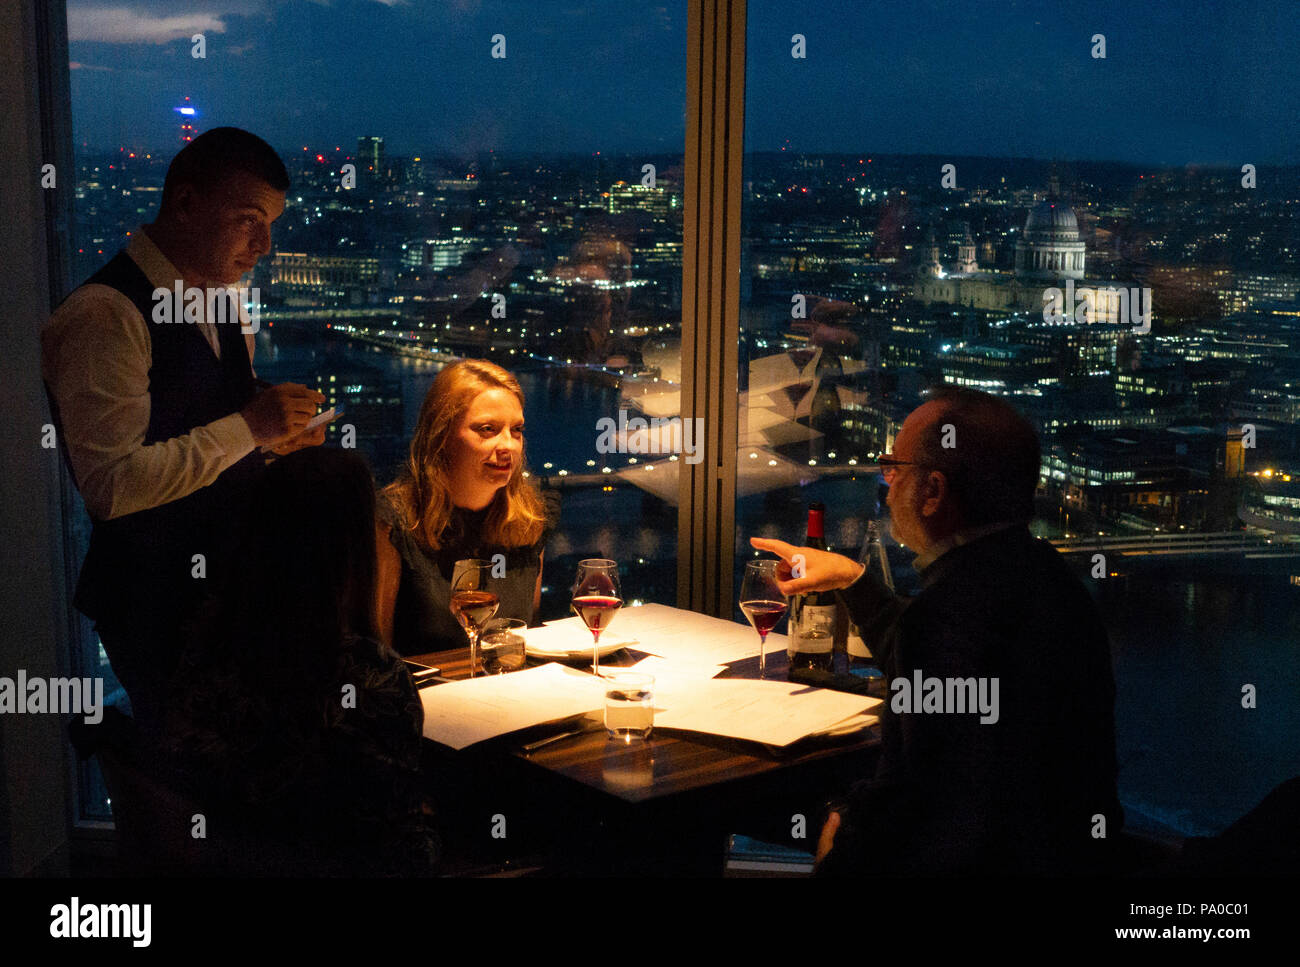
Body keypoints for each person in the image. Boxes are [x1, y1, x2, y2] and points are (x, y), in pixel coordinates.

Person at [751, 385, 1123, 875]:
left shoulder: (948, 613)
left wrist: (842, 836)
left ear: (933, 492)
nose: (886, 484)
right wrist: (851, 578)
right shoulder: (1051, 583)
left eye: (894, 469)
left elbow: (919, 801)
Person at [42, 127, 327, 731]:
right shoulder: (104, 314)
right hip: (156, 606)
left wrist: (272, 441)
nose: (265, 244)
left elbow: (209, 431)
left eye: (271, 222)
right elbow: (113, 486)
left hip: (234, 594)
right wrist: (250, 429)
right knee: (204, 787)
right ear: (186, 202)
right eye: (250, 219)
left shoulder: (224, 301)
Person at [164, 447, 439, 876]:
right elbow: (401, 849)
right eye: (379, 532)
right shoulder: (369, 675)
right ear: (354, 550)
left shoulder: (205, 652)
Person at [377, 360, 558, 655]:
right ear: (442, 436)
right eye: (487, 429)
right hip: (425, 697)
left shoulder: (531, 516)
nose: (508, 446)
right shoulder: (394, 521)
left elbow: (529, 635)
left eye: (516, 430)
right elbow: (377, 652)